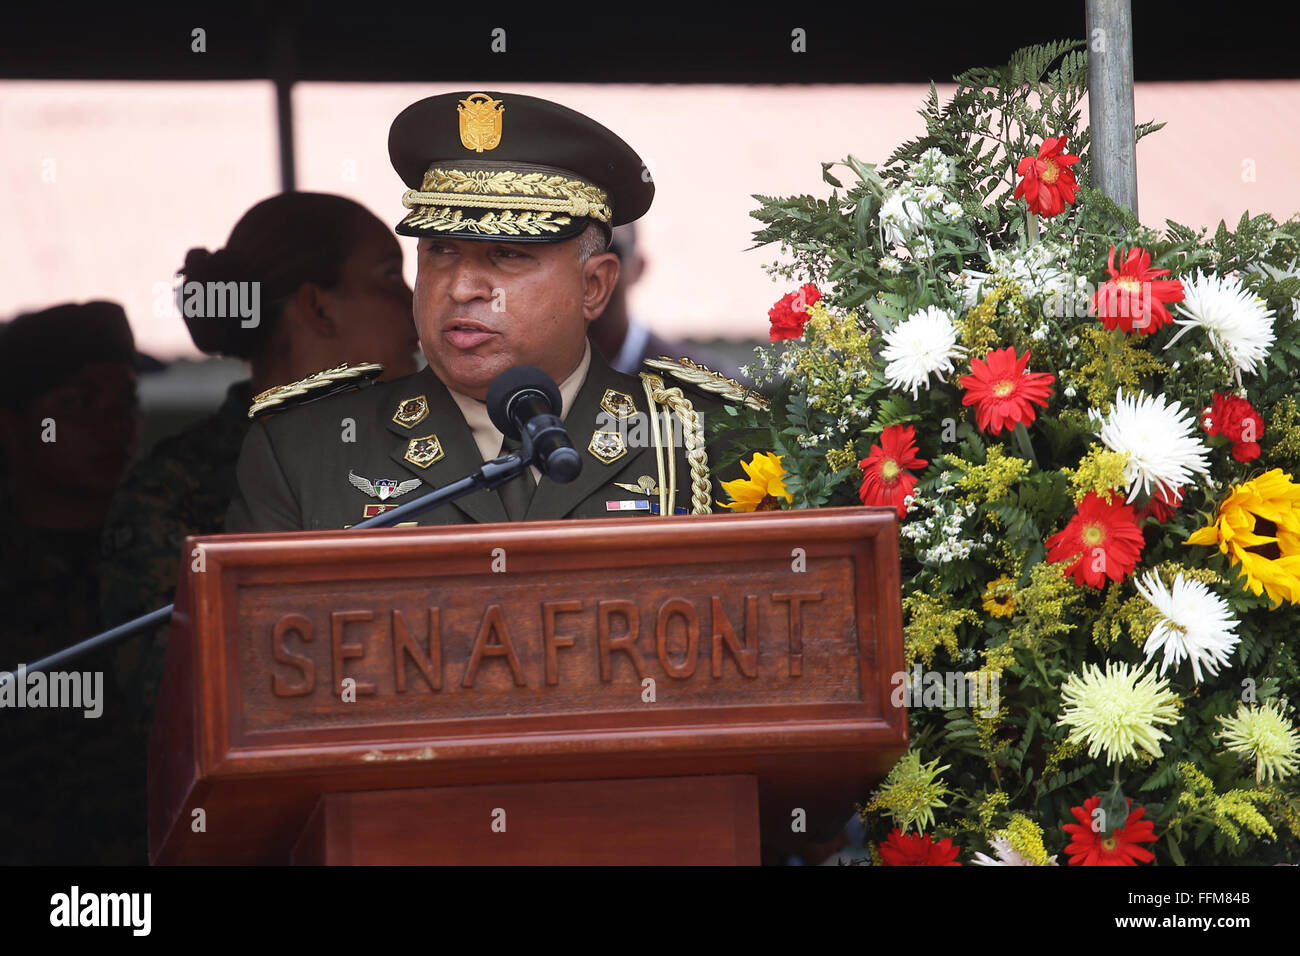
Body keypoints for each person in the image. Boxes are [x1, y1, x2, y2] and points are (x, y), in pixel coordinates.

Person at [225, 92, 760, 534]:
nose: (460, 287)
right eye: (440, 250)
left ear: (594, 287)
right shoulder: (302, 451)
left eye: (506, 255)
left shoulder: (704, 438)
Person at [97, 193, 421, 861]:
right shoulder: (175, 493)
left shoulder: (435, 463)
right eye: (390, 276)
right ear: (317, 305)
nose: (417, 303)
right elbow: (181, 719)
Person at [0, 301, 149, 864]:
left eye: (127, 401)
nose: (114, 424)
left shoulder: (173, 552)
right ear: (11, 427)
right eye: (78, 403)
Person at [589, 222, 756, 389]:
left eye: (610, 253)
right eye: (581, 256)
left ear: (638, 267)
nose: (594, 273)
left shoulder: (707, 391)